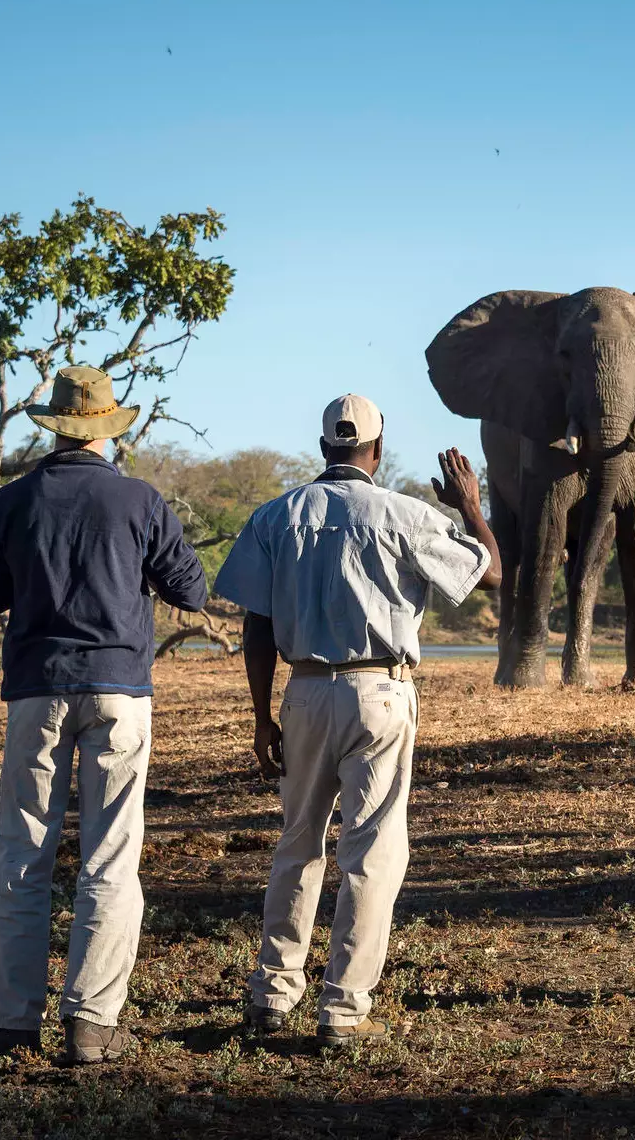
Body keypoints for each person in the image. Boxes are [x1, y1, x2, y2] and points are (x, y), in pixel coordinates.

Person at [215, 394, 501, 1047]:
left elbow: (256, 628)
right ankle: (342, 1011)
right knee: (372, 852)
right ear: (378, 450)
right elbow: (494, 576)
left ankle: (271, 996)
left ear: (324, 447)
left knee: (298, 844)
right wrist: (471, 508)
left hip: (306, 691)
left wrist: (262, 719)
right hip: (380, 690)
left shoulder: (276, 517)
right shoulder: (406, 515)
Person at [0, 365, 209, 1064]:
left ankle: (14, 1027)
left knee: (21, 854)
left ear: (55, 427)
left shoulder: (12, 502)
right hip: (120, 692)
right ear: (107, 429)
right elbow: (190, 591)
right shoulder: (139, 499)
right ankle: (92, 1022)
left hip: (36, 690)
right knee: (109, 857)